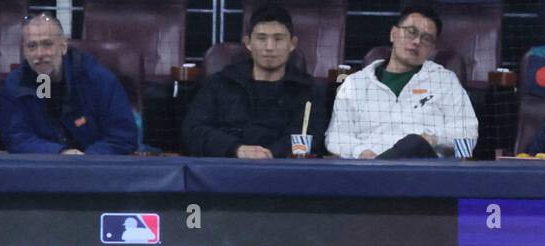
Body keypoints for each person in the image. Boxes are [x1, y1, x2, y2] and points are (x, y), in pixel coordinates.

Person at [326, 4, 477, 159]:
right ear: (393, 34)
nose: (417, 41)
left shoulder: (445, 81)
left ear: (432, 48)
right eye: (411, 32)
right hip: (367, 168)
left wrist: (432, 138)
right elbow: (336, 137)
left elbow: (468, 131)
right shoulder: (355, 84)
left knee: (414, 142)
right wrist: (362, 152)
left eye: (427, 38)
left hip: (423, 172)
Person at [182, 4, 327, 158]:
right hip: (226, 169)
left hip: (284, 171)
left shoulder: (308, 89)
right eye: (261, 38)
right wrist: (237, 149)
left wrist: (271, 153)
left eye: (278, 39)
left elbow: (313, 134)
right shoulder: (220, 83)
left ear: (292, 44)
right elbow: (193, 130)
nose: (269, 47)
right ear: (248, 43)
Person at [0, 13, 136, 155]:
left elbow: (123, 137)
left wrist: (84, 161)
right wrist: (60, 153)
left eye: (47, 44)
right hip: (43, 169)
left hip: (97, 169)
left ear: (63, 46)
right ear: (24, 51)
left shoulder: (100, 80)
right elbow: (16, 139)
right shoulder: (15, 85)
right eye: (32, 46)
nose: (39, 54)